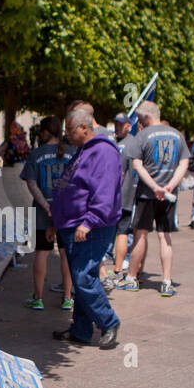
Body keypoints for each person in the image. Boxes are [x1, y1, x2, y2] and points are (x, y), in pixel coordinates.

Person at [50, 103, 122, 348]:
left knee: (83, 277)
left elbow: (105, 191)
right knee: (81, 278)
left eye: (70, 130)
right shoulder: (84, 150)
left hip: (91, 227)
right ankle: (81, 330)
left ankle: (109, 322)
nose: (66, 135)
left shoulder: (103, 152)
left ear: (84, 128)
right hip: (72, 225)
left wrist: (89, 222)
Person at [121, 101, 189, 297]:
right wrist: (170, 185)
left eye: (141, 119)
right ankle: (166, 281)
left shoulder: (142, 136)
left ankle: (132, 277)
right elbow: (184, 164)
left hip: (146, 194)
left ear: (146, 118)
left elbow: (137, 165)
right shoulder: (177, 135)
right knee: (164, 235)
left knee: (140, 234)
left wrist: (154, 187)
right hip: (168, 195)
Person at [21, 116, 74, 311]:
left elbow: (31, 183)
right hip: (67, 212)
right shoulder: (72, 153)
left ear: (45, 132)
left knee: (42, 253)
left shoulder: (37, 154)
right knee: (66, 254)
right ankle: (67, 297)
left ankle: (38, 297)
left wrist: (46, 206)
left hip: (43, 212)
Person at [103, 112, 136, 290]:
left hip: (123, 196)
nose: (117, 127)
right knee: (118, 231)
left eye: (121, 124)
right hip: (114, 197)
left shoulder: (129, 144)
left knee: (121, 231)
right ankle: (114, 266)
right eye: (116, 124)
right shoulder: (116, 142)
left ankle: (117, 267)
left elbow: (120, 173)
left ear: (128, 126)